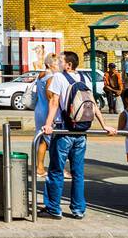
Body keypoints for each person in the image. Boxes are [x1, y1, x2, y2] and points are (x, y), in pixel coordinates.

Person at [40, 49, 116, 219]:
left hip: (63, 131)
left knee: (56, 171)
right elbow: (93, 104)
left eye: (60, 60)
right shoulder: (83, 79)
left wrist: (47, 124)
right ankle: (78, 209)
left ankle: (54, 208)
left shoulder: (59, 78)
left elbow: (54, 102)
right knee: (78, 173)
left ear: (68, 65)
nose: (58, 62)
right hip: (81, 133)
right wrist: (104, 125)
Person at [34, 52, 59, 181]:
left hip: (38, 108)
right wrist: (52, 116)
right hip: (47, 111)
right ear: (49, 64)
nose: (58, 65)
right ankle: (58, 168)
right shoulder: (50, 76)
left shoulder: (40, 75)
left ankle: (39, 167)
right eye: (56, 63)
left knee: (42, 139)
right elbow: (50, 97)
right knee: (53, 140)